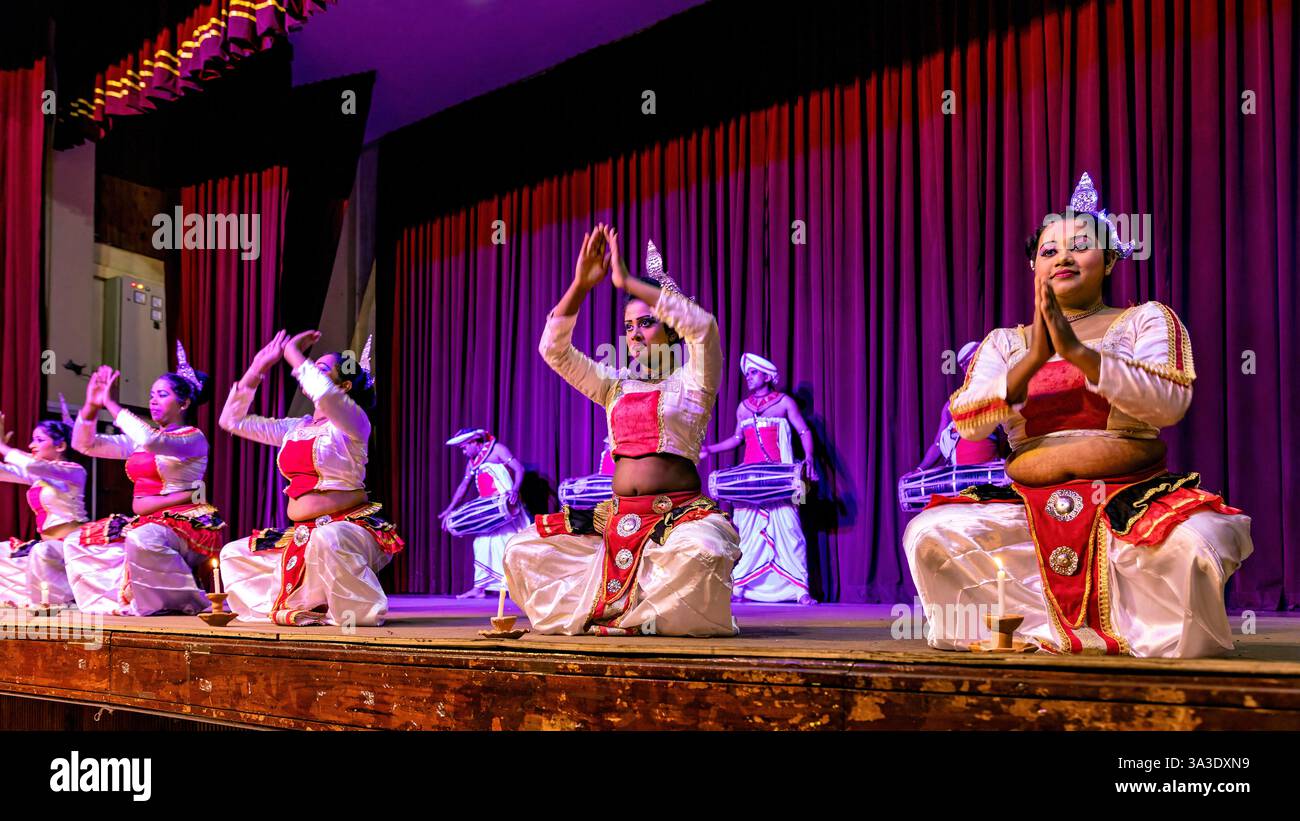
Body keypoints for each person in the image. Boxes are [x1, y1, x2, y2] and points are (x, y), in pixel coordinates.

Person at [903, 172, 1253, 658]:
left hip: (1125, 497)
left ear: (1109, 260)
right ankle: (1017, 631)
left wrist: (1080, 354)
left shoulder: (1147, 319)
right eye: (1048, 251)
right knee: (929, 534)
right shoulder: (1007, 341)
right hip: (1026, 502)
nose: (1063, 257)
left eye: (1082, 246)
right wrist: (1031, 361)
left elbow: (1168, 403)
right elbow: (968, 421)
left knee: (1194, 544)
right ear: (1033, 266)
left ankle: (1146, 641)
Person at [503, 225, 741, 636]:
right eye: (628, 326)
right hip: (615, 519)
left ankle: (635, 618)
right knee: (520, 550)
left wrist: (627, 281)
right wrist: (581, 284)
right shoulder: (613, 386)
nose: (634, 335)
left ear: (670, 328)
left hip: (678, 517)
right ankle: (631, 613)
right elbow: (553, 350)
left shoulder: (695, 381)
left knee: (703, 553)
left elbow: (704, 328)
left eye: (646, 323)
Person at [218, 331, 404, 627]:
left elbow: (326, 396)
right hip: (302, 532)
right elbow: (231, 421)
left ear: (344, 385)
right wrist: (257, 369)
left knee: (327, 538)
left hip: (348, 529)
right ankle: (305, 607)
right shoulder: (295, 428)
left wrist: (292, 353)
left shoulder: (353, 422)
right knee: (233, 554)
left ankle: (354, 612)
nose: (305, 370)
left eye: (320, 369)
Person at [64, 344, 225, 615]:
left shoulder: (192, 438)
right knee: (76, 541)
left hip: (186, 524)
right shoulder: (141, 443)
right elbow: (87, 445)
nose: (153, 401)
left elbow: (152, 440)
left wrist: (111, 404)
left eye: (162, 395)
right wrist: (91, 406)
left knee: (142, 538)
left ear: (184, 403)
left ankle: (185, 603)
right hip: (148, 521)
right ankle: (118, 603)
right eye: (151, 395)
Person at [701, 353, 818, 604]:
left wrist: (809, 457)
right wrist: (711, 449)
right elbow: (736, 440)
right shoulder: (743, 408)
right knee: (747, 532)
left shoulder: (785, 403)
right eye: (747, 374)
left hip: (779, 479)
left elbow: (804, 431)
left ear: (767, 376)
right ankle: (741, 588)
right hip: (750, 482)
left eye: (753, 373)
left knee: (789, 530)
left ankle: (800, 590)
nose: (749, 378)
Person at [0, 411, 86, 607]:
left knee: (42, 551)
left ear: (61, 446)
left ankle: (58, 600)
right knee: (2, 552)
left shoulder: (73, 472)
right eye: (32, 440)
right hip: (48, 546)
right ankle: (25, 598)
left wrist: (4, 448)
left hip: (71, 544)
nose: (31, 445)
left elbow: (31, 465)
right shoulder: (38, 476)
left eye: (39, 440)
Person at [438, 428, 527, 599]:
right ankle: (479, 588)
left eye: (464, 447)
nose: (464, 452)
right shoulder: (473, 462)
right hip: (489, 510)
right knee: (480, 544)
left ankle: (516, 587)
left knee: (508, 542)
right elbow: (463, 487)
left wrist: (515, 490)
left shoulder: (498, 450)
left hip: (506, 505)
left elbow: (519, 469)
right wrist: (449, 509)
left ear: (473, 442)